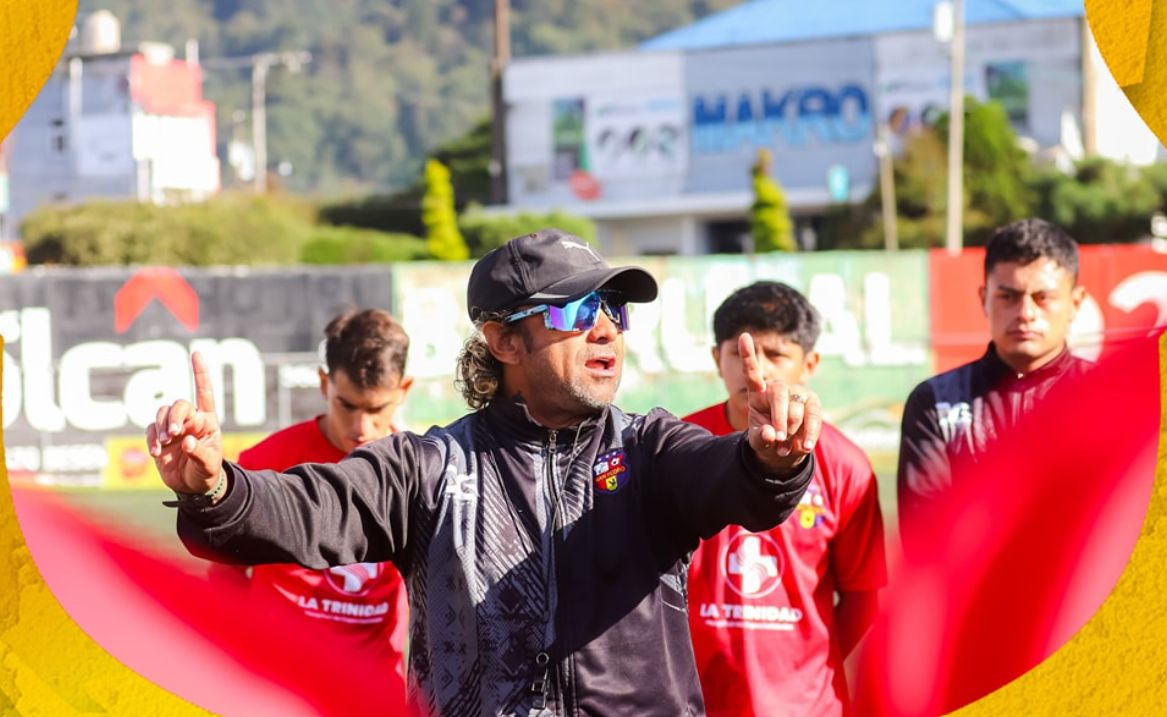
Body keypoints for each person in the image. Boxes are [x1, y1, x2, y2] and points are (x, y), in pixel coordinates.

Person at [147, 228, 822, 717]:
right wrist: (214, 486)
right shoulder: (428, 465)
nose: (606, 329)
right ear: (503, 340)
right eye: (576, 309)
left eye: (612, 309)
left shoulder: (650, 450)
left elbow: (735, 482)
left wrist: (771, 458)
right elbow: (302, 508)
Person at [683, 281, 887, 717]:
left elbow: (863, 596)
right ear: (716, 360)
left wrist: (806, 667)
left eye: (774, 355)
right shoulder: (678, 449)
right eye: (739, 353)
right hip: (690, 703)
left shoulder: (846, 464)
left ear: (809, 364)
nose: (754, 369)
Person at [207, 308, 413, 683]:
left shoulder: (417, 472)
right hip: (277, 686)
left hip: (374, 693)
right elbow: (226, 573)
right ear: (324, 384)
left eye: (376, 409)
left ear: (403, 391)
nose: (360, 427)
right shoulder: (267, 462)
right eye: (346, 404)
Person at [897, 218, 1090, 557]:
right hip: (977, 610)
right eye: (1008, 296)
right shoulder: (935, 402)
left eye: (1043, 297)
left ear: (1075, 303)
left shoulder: (1112, 399)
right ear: (984, 298)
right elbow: (925, 538)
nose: (1025, 313)